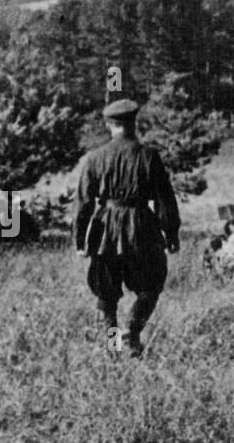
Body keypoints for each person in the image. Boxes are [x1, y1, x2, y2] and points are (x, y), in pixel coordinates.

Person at [73, 98, 181, 358]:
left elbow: (83, 204)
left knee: (107, 296)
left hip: (105, 231)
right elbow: (165, 198)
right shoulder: (149, 157)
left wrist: (80, 242)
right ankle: (132, 333)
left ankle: (112, 348)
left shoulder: (95, 158)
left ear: (110, 125)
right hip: (141, 228)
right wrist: (171, 232)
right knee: (151, 287)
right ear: (133, 123)